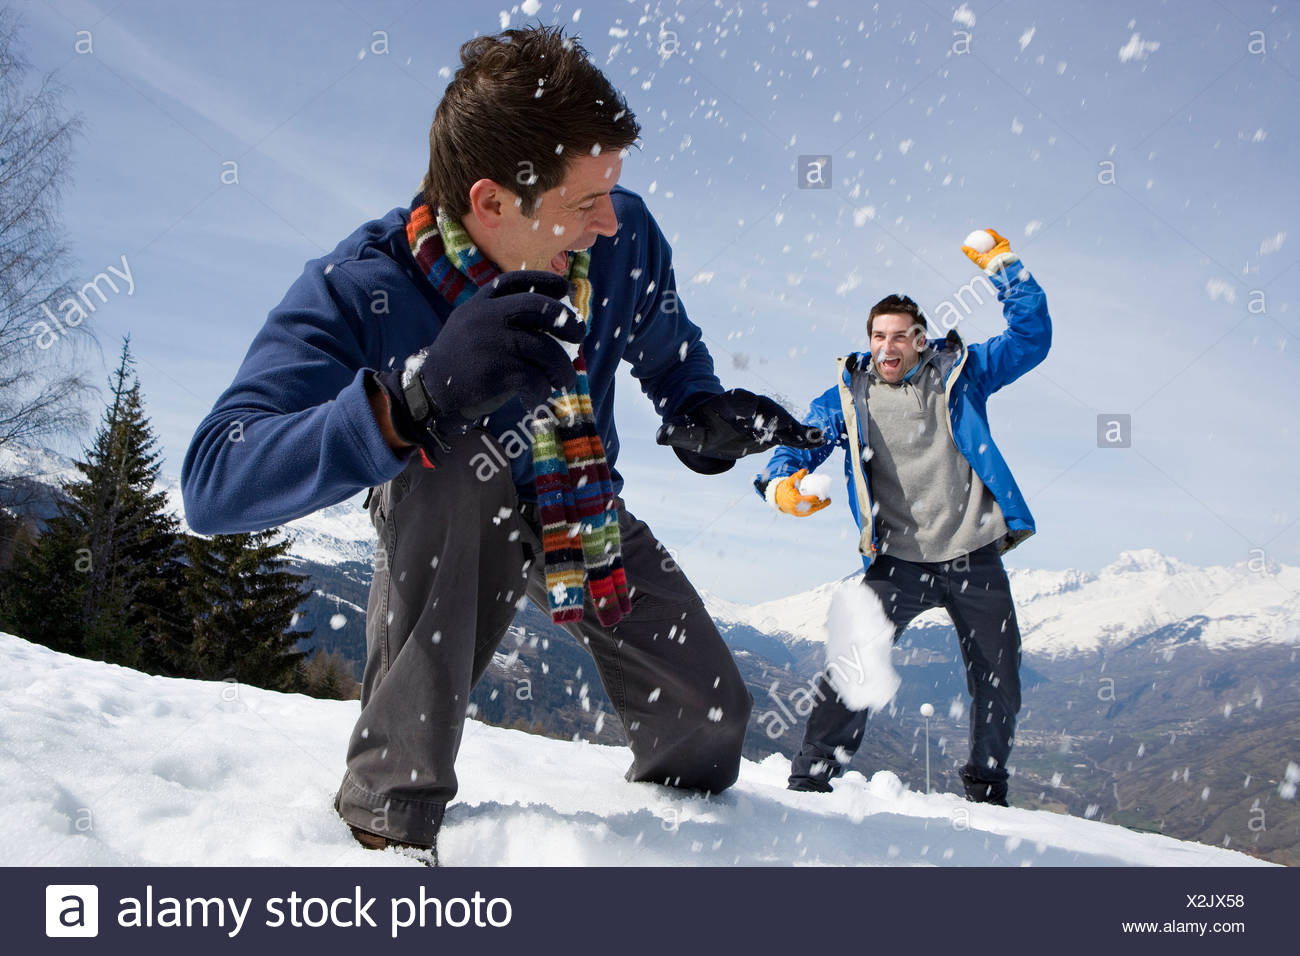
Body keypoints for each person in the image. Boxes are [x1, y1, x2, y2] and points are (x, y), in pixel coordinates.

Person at [182, 26, 820, 863]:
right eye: (583, 204)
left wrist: (700, 412)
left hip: (579, 502)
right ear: (491, 202)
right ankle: (389, 815)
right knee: (455, 473)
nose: (608, 223)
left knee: (709, 720)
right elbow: (216, 479)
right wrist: (412, 398)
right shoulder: (361, 287)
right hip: (444, 501)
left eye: (613, 192)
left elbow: (668, 355)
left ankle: (673, 849)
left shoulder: (621, 240)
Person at [754, 228, 1051, 806]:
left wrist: (1005, 269)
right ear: (869, 341)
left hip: (972, 551)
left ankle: (987, 789)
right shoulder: (849, 395)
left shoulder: (963, 372)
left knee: (1000, 678)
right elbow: (797, 443)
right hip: (896, 561)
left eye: (900, 336)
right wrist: (779, 486)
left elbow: (1031, 338)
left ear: (920, 339)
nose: (888, 347)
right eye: (878, 336)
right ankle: (811, 778)